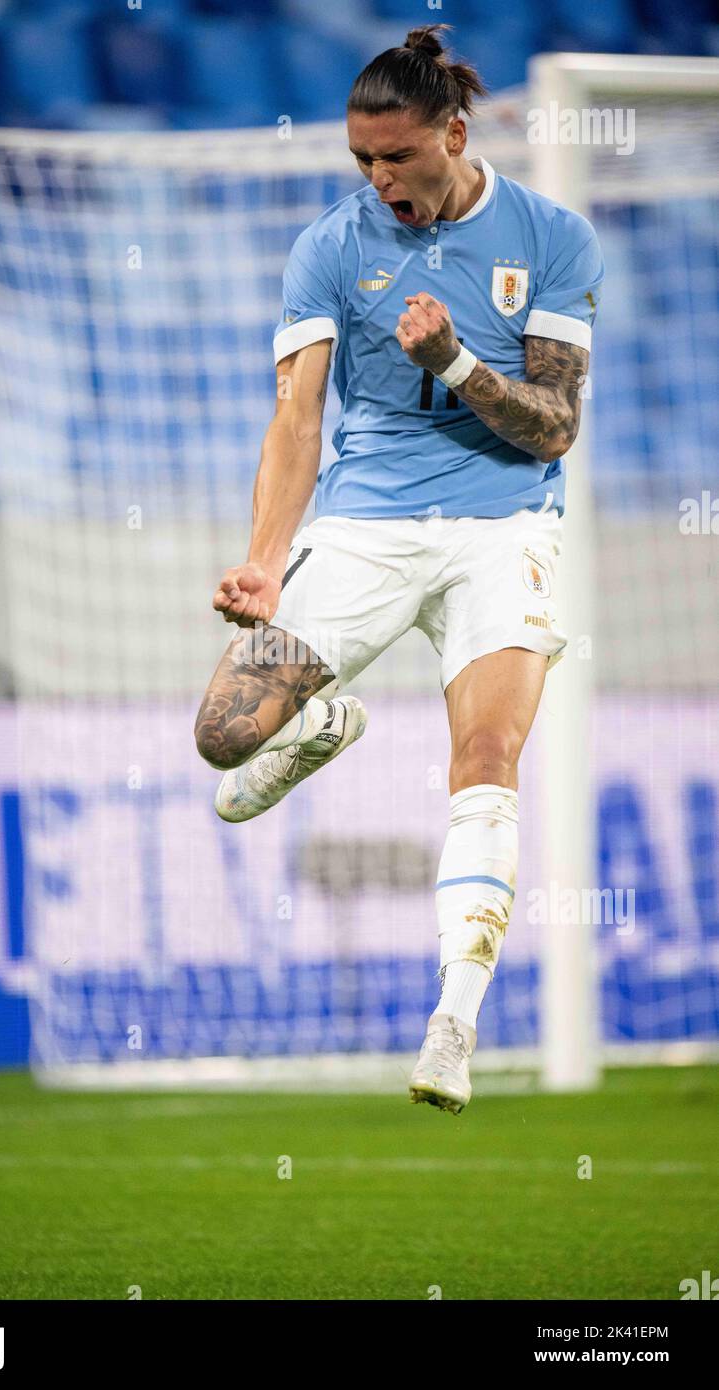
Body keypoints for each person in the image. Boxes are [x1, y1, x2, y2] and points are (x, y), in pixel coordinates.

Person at [194, 25, 603, 1114]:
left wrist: (456, 362)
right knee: (222, 736)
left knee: (487, 754)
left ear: (453, 136)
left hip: (500, 522)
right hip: (369, 522)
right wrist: (264, 564)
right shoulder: (330, 245)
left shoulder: (552, 239)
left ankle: (450, 1026)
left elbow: (553, 428)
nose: (379, 181)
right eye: (361, 162)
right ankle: (326, 720)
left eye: (397, 160)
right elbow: (296, 418)